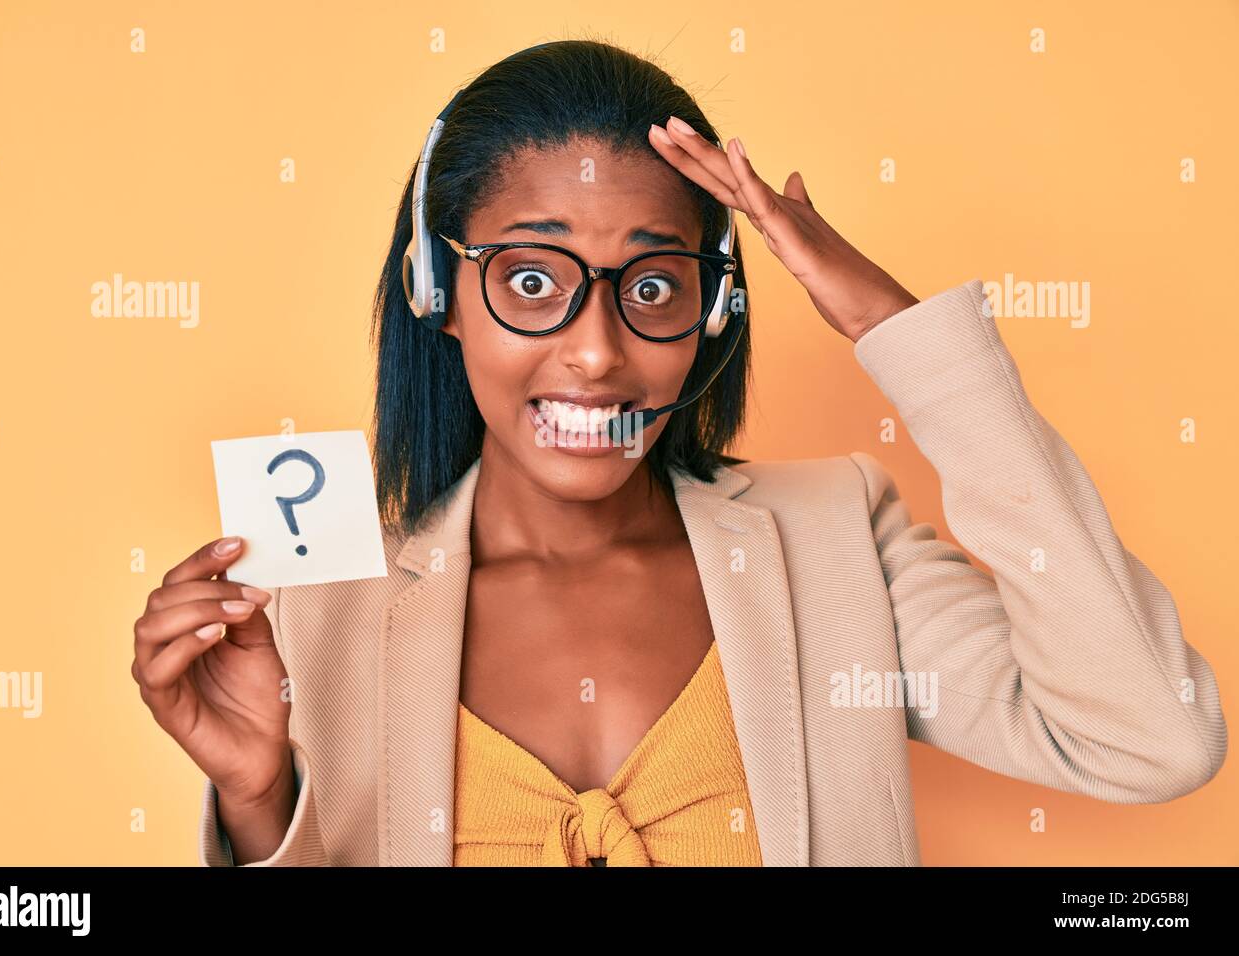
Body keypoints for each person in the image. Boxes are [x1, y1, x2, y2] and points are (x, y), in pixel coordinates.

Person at [132, 39, 1227, 867]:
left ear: (712, 313)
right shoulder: (313, 599)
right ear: (438, 293)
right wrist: (259, 802)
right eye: (530, 279)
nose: (597, 351)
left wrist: (907, 335)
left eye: (654, 285)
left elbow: (1151, 739)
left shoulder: (836, 535)